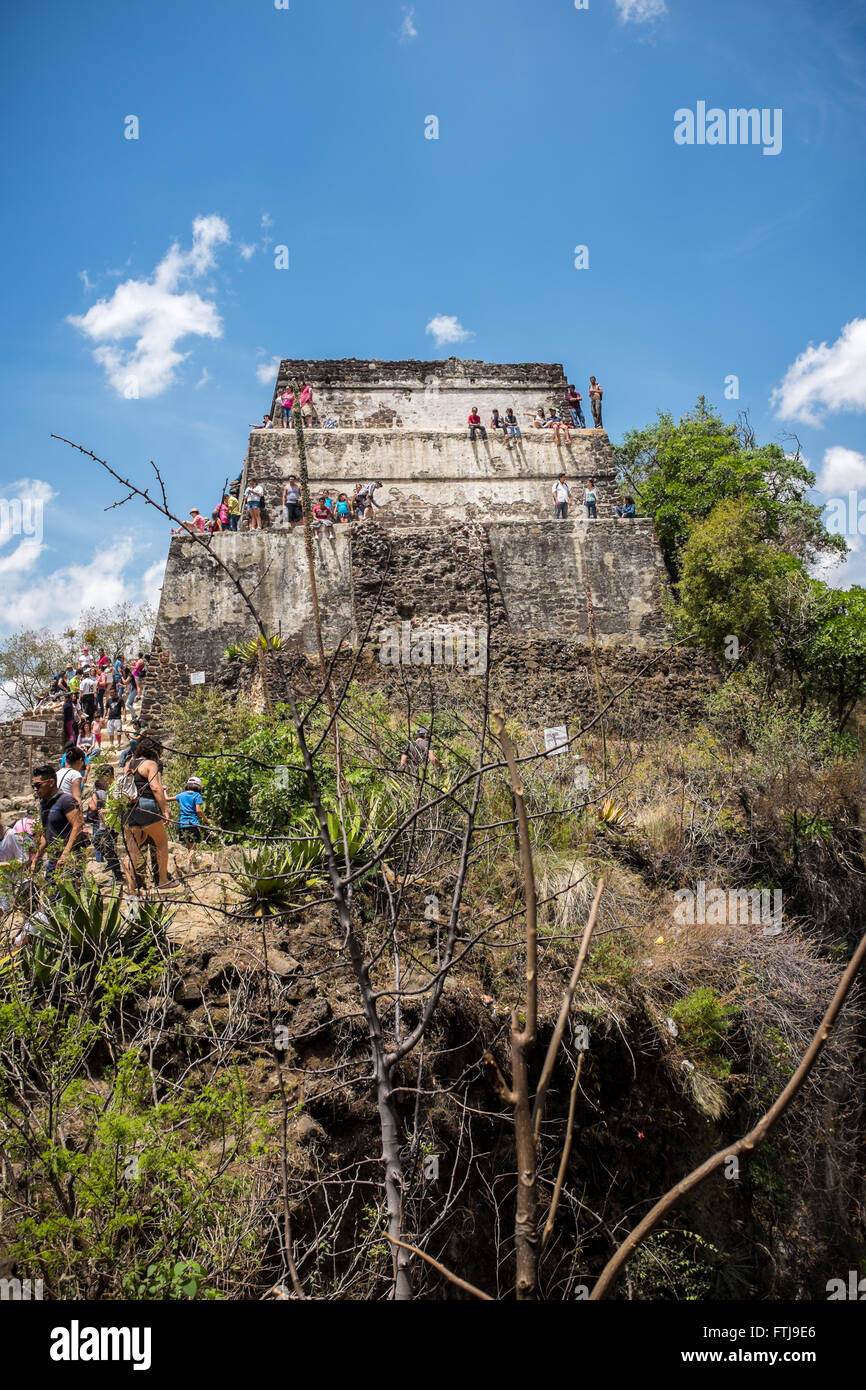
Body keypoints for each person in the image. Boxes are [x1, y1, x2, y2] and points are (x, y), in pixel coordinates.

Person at [120, 736, 172, 892]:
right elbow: (155, 787)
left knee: (131, 851)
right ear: (155, 752)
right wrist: (165, 809)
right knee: (161, 843)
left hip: (129, 809)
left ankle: (131, 889)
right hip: (146, 805)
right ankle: (163, 881)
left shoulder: (129, 765)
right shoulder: (151, 764)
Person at [31, 765, 85, 890]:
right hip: (53, 858)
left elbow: (78, 826)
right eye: (33, 786)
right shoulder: (43, 804)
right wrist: (37, 858)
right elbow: (46, 833)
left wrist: (65, 854)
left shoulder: (66, 800)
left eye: (38, 785)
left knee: (69, 897)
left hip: (69, 859)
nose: (35, 789)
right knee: (52, 896)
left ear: (51, 782)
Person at [86, 770, 123, 884]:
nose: (100, 781)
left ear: (107, 776)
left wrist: (106, 811)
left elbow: (120, 805)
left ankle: (117, 874)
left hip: (112, 824)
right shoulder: (109, 788)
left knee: (101, 843)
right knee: (104, 845)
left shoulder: (115, 787)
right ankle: (114, 868)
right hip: (108, 823)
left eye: (101, 777)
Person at [169, 776, 209, 875]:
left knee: (189, 846)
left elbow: (166, 799)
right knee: (193, 847)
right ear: (199, 787)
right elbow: (198, 810)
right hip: (192, 823)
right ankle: (188, 866)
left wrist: (165, 790)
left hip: (182, 824)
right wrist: (206, 820)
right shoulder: (197, 795)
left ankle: (194, 864)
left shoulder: (181, 795)